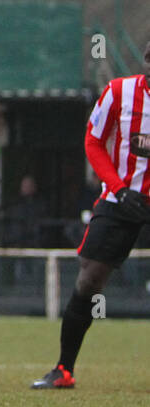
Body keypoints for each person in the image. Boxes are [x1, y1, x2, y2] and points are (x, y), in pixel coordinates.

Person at [33, 49, 150, 389]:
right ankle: (63, 370)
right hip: (122, 197)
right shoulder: (118, 92)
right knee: (89, 279)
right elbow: (94, 141)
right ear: (146, 61)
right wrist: (118, 187)